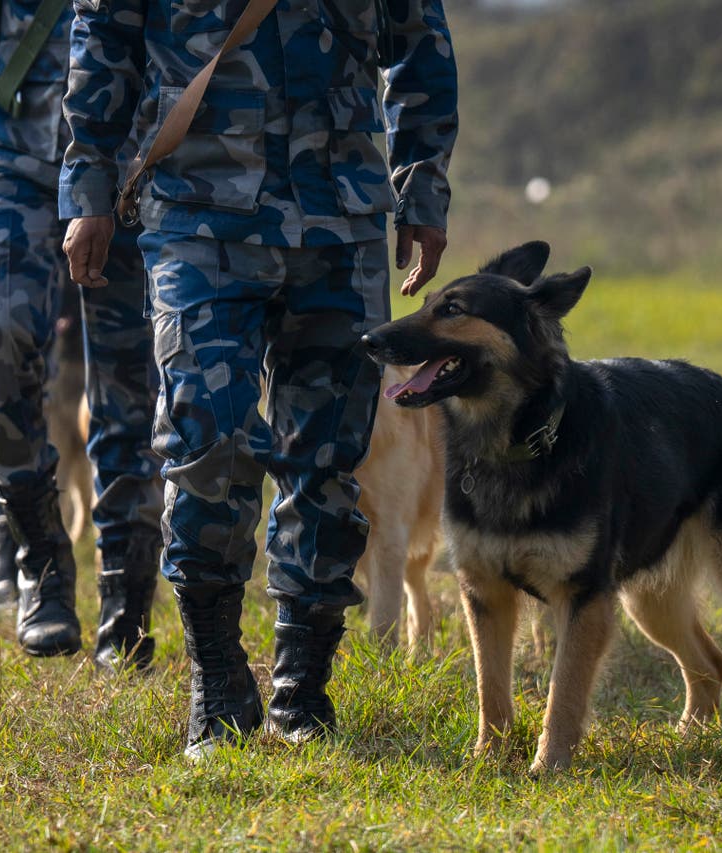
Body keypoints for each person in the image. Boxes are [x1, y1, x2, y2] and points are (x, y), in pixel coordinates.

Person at [60, 0, 458, 755]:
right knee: (207, 437)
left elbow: (421, 45)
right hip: (198, 211)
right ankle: (216, 678)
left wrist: (423, 186)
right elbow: (104, 36)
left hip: (340, 219)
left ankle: (301, 689)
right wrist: (88, 188)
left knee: (329, 461)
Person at [0, 0, 164, 660]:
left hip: (136, 156)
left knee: (130, 389)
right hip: (13, 152)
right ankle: (42, 559)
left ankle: (127, 606)